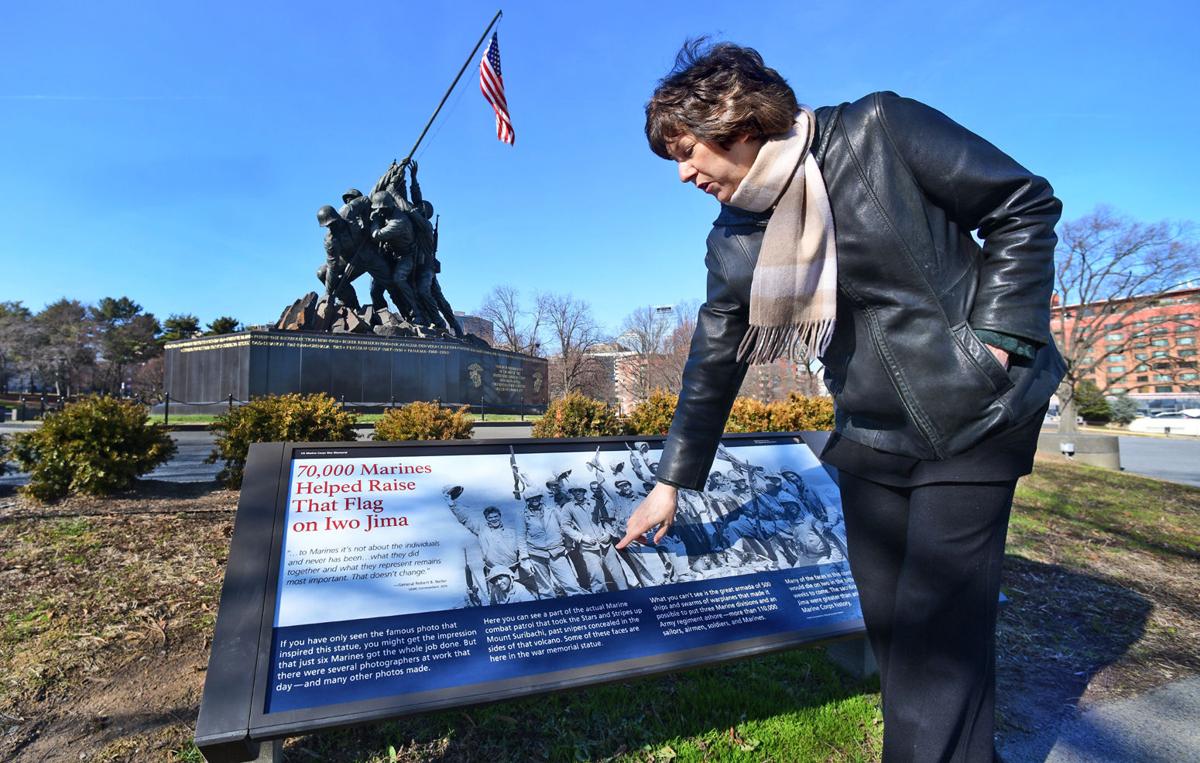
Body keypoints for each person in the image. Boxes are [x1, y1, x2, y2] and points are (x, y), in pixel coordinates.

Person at [617, 40, 1064, 762]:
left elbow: (1023, 204)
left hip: (977, 414)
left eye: (687, 150)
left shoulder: (878, 131)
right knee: (893, 627)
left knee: (936, 634)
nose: (683, 173)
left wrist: (998, 343)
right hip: (868, 430)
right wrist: (670, 483)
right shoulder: (733, 239)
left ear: (736, 123)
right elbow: (713, 360)